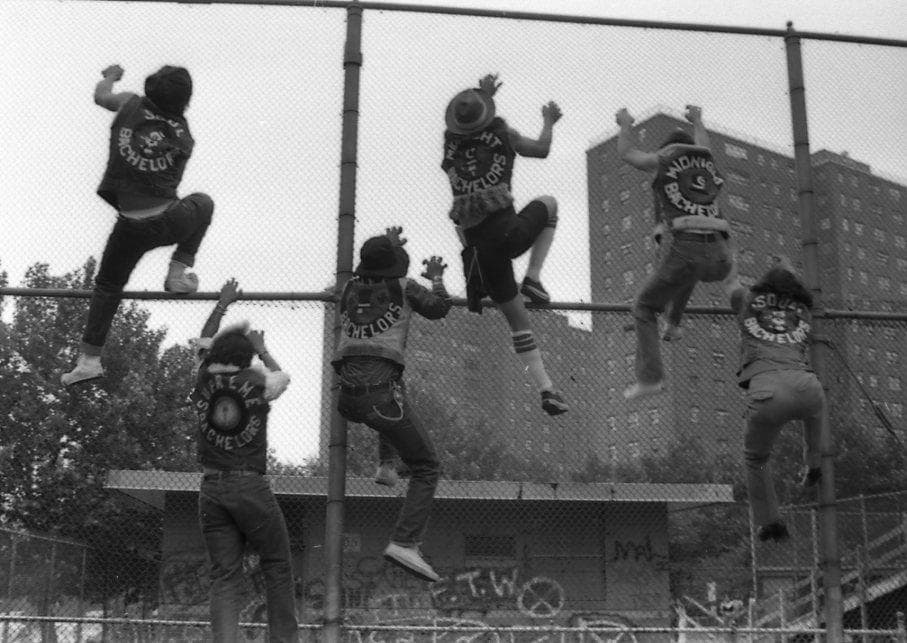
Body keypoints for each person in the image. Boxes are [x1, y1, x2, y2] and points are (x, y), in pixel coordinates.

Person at [62, 63, 214, 386]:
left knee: (107, 285)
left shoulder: (129, 102)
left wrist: (110, 76)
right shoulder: (185, 137)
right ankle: (177, 273)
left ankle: (89, 360)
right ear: (184, 102)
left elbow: (101, 97)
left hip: (129, 226)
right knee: (203, 203)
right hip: (169, 221)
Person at [442, 73, 568, 416]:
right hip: (509, 234)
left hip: (481, 254)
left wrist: (482, 94)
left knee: (518, 322)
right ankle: (534, 278)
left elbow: (468, 132)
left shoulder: (449, 150)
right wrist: (548, 120)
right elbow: (541, 150)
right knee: (550, 203)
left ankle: (547, 389)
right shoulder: (504, 136)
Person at [331, 227, 452, 582]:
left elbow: (377, 272)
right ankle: (404, 541)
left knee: (394, 394)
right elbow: (439, 308)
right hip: (379, 397)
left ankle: (386, 465)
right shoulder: (404, 288)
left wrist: (389, 248)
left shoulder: (349, 290)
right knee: (427, 466)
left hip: (348, 399)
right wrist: (437, 279)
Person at [190, 279, 299, 641]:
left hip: (210, 488)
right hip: (249, 484)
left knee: (224, 575)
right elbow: (283, 378)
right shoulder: (256, 381)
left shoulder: (202, 379)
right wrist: (263, 349)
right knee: (277, 564)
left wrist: (222, 306)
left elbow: (204, 343)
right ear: (246, 360)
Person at [616, 105, 733, 400]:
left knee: (643, 305)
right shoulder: (704, 157)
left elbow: (628, 153)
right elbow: (703, 142)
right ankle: (675, 324)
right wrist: (698, 120)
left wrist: (626, 123)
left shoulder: (664, 159)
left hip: (687, 245)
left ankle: (650, 378)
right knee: (685, 271)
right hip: (721, 256)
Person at [724, 255, 824, 542]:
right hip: (807, 385)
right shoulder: (804, 309)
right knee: (814, 415)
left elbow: (729, 280)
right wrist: (791, 268)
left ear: (764, 282)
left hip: (769, 390)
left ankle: (770, 522)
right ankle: (814, 463)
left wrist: (726, 248)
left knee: (756, 459)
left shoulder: (746, 299)